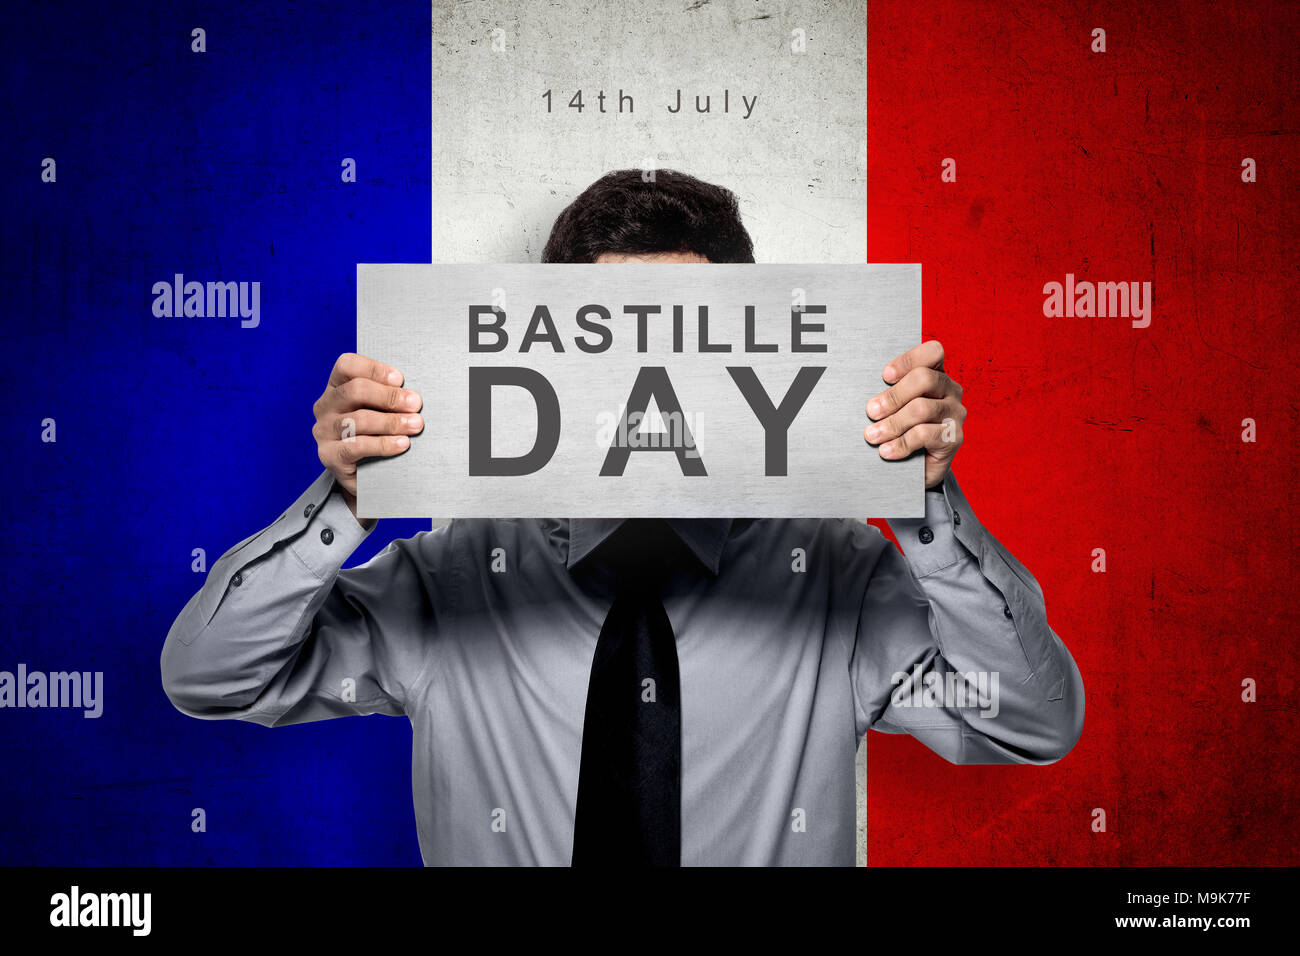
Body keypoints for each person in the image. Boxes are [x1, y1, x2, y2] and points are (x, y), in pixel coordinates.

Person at [161, 169, 1084, 866]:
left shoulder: (835, 576)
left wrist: (922, 507)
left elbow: (1030, 722)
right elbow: (213, 679)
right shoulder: (448, 578)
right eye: (615, 336)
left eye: (688, 334)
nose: (655, 394)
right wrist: (347, 505)